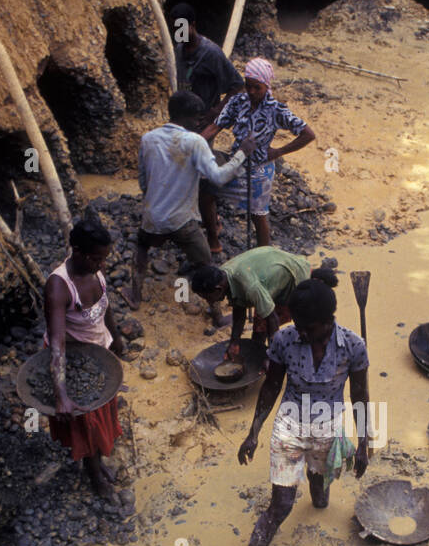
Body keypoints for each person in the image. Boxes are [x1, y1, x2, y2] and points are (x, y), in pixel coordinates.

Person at [237, 278, 369, 546]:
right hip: (290, 429)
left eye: (309, 328)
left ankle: (318, 498)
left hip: (328, 427)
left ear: (328, 321)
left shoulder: (352, 346)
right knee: (281, 504)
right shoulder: (285, 340)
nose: (303, 333)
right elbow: (271, 386)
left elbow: (360, 395)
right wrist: (253, 432)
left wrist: (364, 442)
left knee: (320, 489)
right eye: (299, 326)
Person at [126, 91, 255, 310]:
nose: (199, 123)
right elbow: (218, 177)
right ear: (184, 116)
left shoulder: (148, 139)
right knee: (206, 264)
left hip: (153, 216)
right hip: (182, 220)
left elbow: (143, 182)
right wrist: (242, 153)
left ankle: (135, 294)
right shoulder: (194, 142)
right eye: (197, 118)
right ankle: (215, 313)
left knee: (142, 246)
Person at [44, 216, 126, 500]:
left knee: (102, 413)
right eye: (96, 258)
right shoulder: (59, 287)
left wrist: (116, 339)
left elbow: (106, 307)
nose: (102, 265)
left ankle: (98, 462)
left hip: (99, 356)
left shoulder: (96, 270)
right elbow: (56, 342)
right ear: (77, 252)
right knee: (87, 423)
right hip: (75, 363)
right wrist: (61, 393)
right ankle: (94, 473)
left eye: (104, 258)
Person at [202, 58, 315, 248]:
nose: (252, 92)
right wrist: (191, 142)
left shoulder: (276, 109)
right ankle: (213, 239)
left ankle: (264, 254)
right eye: (248, 86)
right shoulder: (238, 102)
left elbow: (308, 134)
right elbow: (215, 127)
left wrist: (278, 152)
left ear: (266, 86)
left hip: (259, 169)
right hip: (236, 162)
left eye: (257, 88)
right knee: (206, 193)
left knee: (258, 215)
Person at [189, 251, 335, 353]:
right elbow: (239, 312)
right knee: (260, 327)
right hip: (269, 273)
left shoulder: (248, 286)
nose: (208, 301)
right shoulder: (223, 275)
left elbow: (272, 318)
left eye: (207, 297)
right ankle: (258, 353)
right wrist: (234, 342)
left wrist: (273, 356)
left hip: (292, 277)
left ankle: (289, 357)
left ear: (217, 289)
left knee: (269, 324)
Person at [167, 2, 243, 129]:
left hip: (201, 123)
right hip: (181, 122)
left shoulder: (211, 53)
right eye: (175, 29)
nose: (178, 33)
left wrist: (217, 110)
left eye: (182, 29)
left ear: (192, 25)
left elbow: (238, 85)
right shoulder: (179, 50)